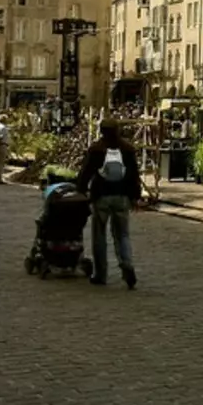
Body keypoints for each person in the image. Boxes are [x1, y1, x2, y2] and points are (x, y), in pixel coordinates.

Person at [77, 119, 142, 289]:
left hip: (101, 196)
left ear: (101, 131)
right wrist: (135, 196)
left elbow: (86, 171)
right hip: (122, 197)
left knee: (99, 236)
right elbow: (134, 173)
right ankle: (126, 264)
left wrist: (81, 189)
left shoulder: (96, 149)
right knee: (123, 235)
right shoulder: (127, 149)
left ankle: (100, 274)